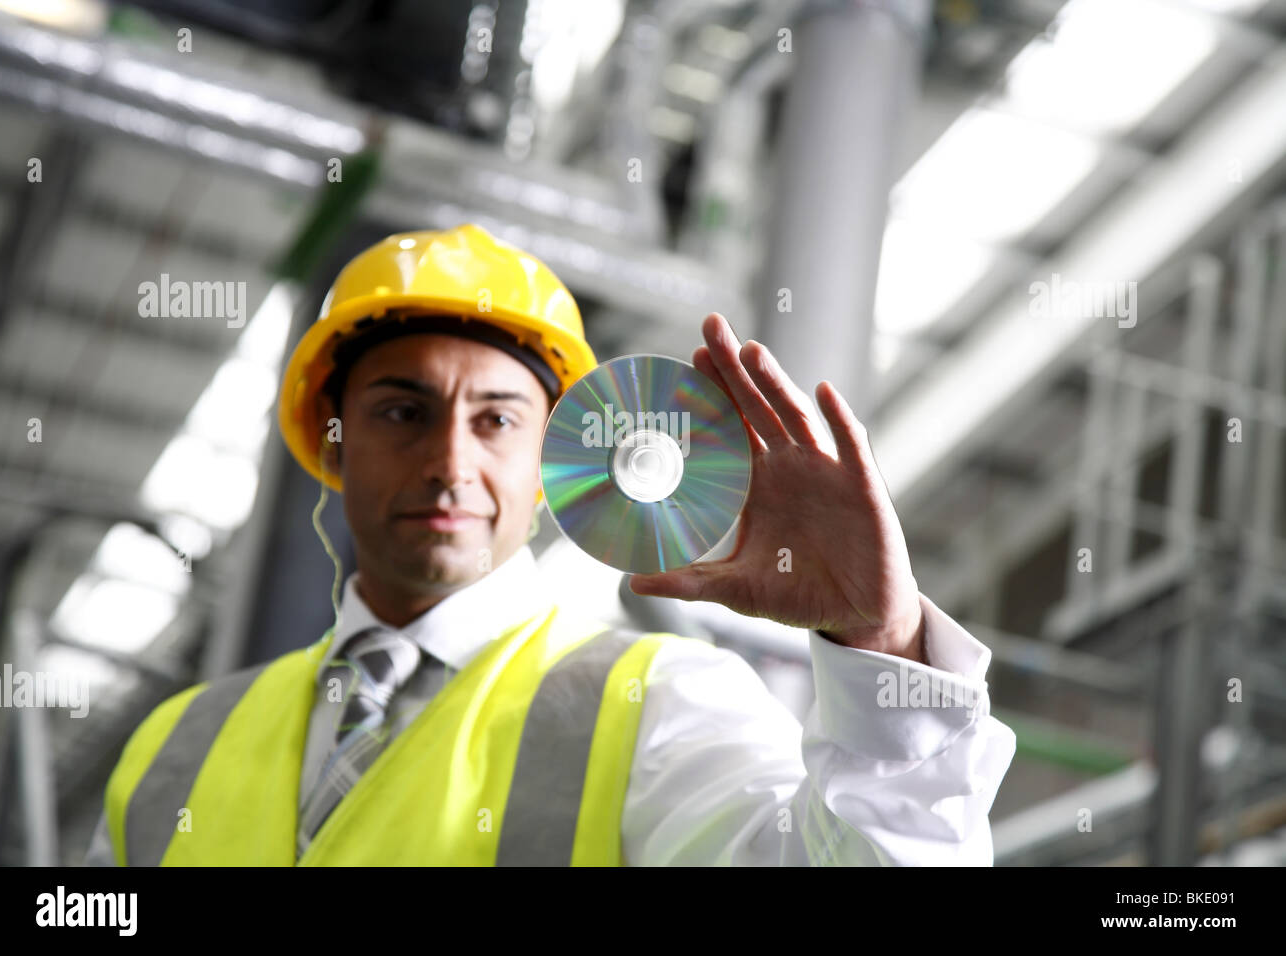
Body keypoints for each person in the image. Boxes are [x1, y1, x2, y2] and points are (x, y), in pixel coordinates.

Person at [87, 223, 1015, 866]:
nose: (450, 462)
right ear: (333, 440)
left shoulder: (656, 703)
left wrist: (884, 650)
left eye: (496, 421)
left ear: (552, 459)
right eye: (402, 411)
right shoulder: (179, 743)